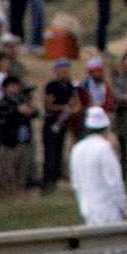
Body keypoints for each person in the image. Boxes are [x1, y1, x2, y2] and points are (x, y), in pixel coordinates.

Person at [70, 105, 127, 254]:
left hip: (88, 207)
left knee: (97, 252)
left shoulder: (77, 149)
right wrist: (123, 206)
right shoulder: (104, 148)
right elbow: (114, 181)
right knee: (118, 250)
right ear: (106, 127)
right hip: (107, 206)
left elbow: (76, 183)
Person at [40, 57, 80, 190]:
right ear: (56, 71)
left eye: (67, 70)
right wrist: (64, 107)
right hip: (52, 123)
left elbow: (75, 101)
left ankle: (56, 180)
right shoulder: (52, 86)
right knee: (50, 153)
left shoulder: (70, 86)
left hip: (63, 124)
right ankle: (48, 182)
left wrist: (73, 107)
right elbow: (48, 106)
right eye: (62, 70)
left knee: (59, 152)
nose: (65, 72)